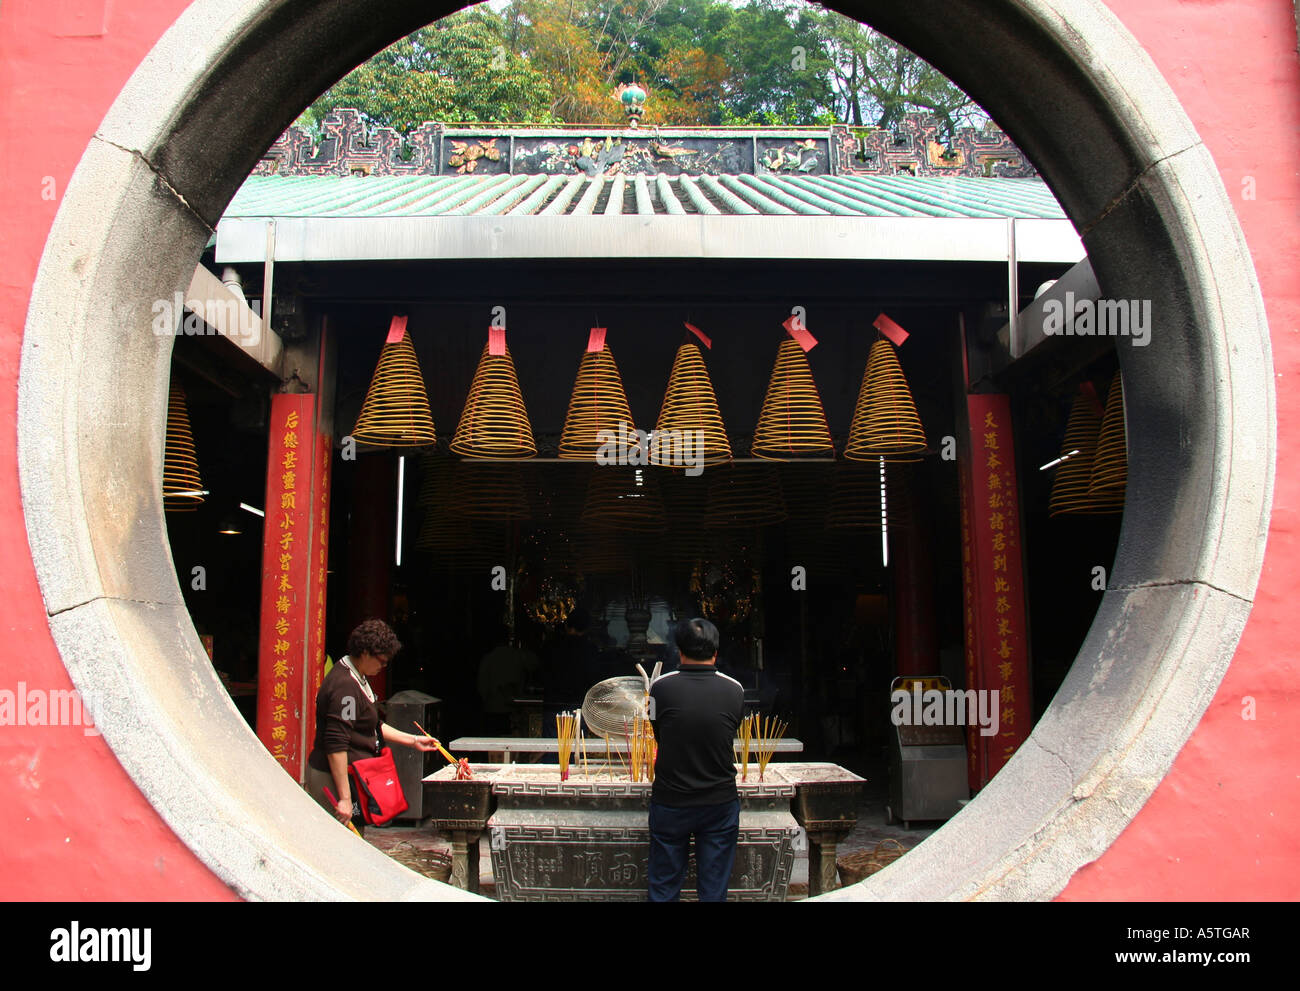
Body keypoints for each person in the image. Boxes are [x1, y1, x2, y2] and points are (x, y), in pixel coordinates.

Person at [306, 619, 439, 832]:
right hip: (334, 778)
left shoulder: (357, 676)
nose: (383, 666)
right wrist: (345, 798)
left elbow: (372, 725)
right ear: (366, 653)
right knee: (342, 843)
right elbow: (336, 744)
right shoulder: (345, 687)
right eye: (382, 661)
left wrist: (413, 740)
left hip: (353, 775)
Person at [646, 617, 745, 902]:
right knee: (714, 890)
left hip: (671, 801)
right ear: (715, 652)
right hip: (719, 802)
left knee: (664, 886)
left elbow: (659, 733)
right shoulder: (735, 690)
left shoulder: (660, 689)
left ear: (680, 651)